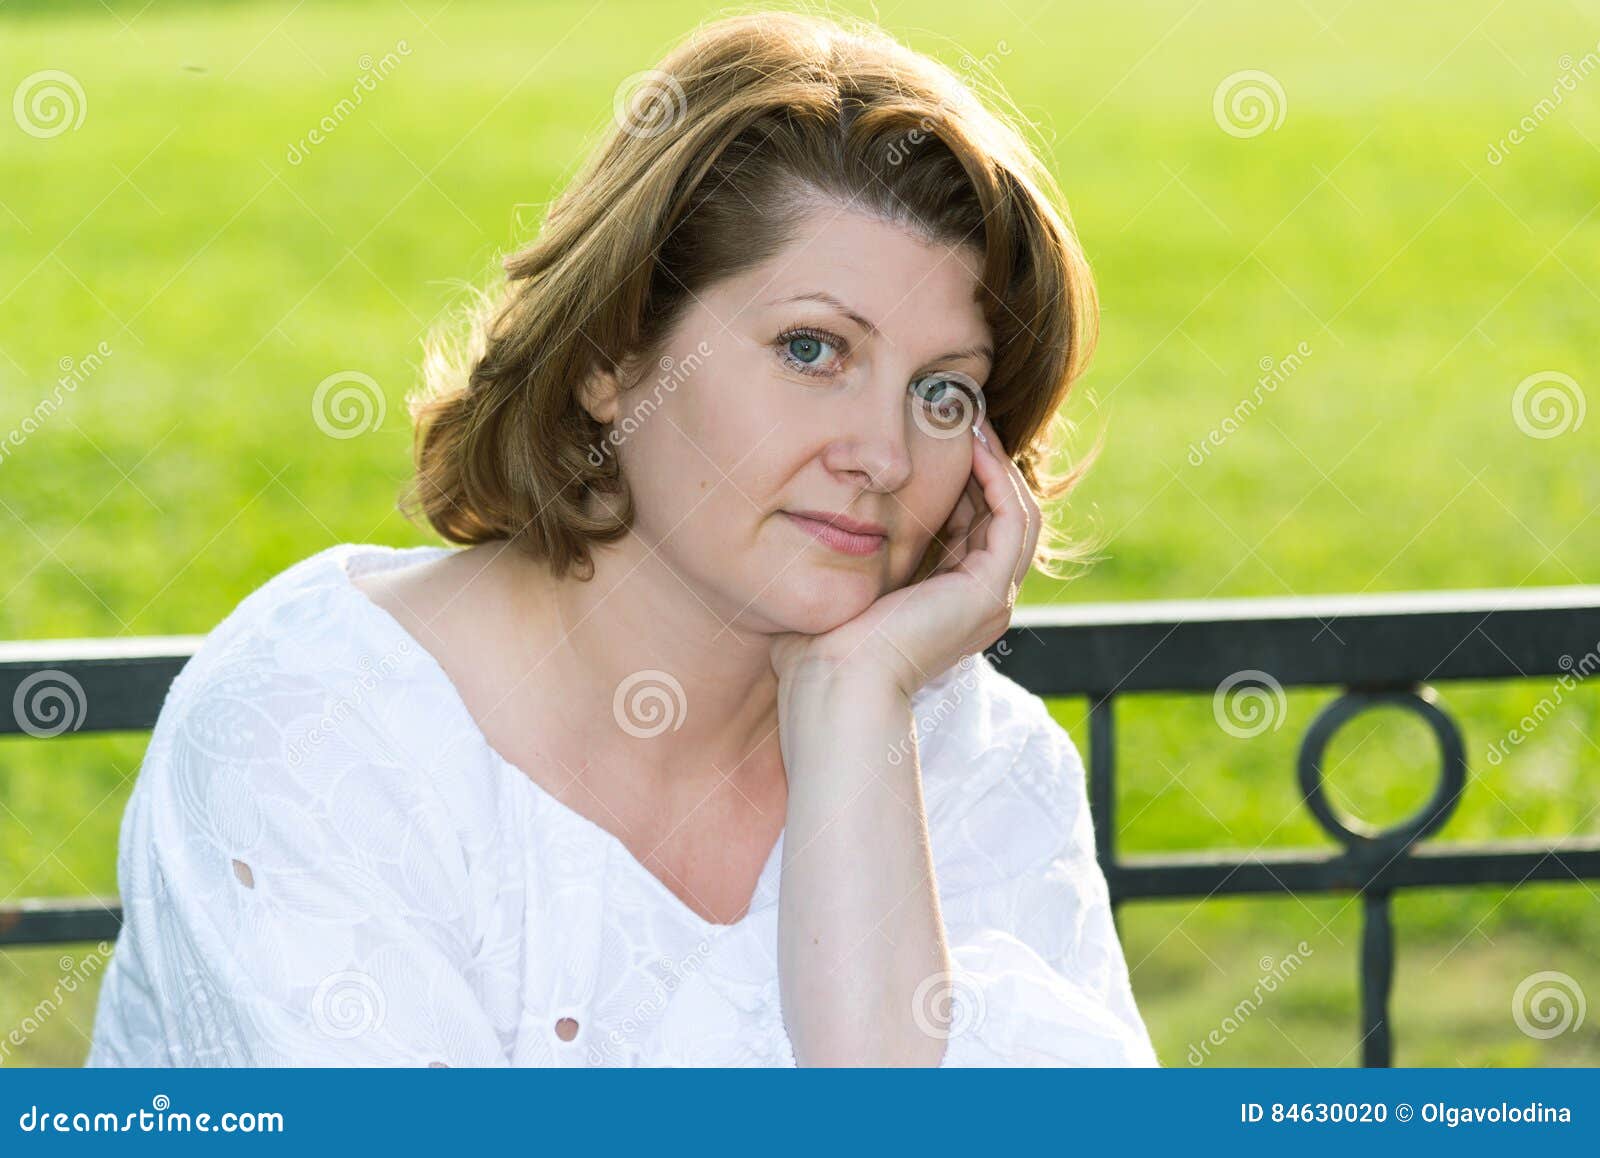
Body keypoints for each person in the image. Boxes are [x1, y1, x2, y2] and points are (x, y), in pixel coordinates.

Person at [86, 9, 1158, 1067]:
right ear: (612, 356)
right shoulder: (315, 733)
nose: (881, 455)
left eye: (940, 392)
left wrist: (850, 705)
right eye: (810, 348)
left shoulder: (970, 757)